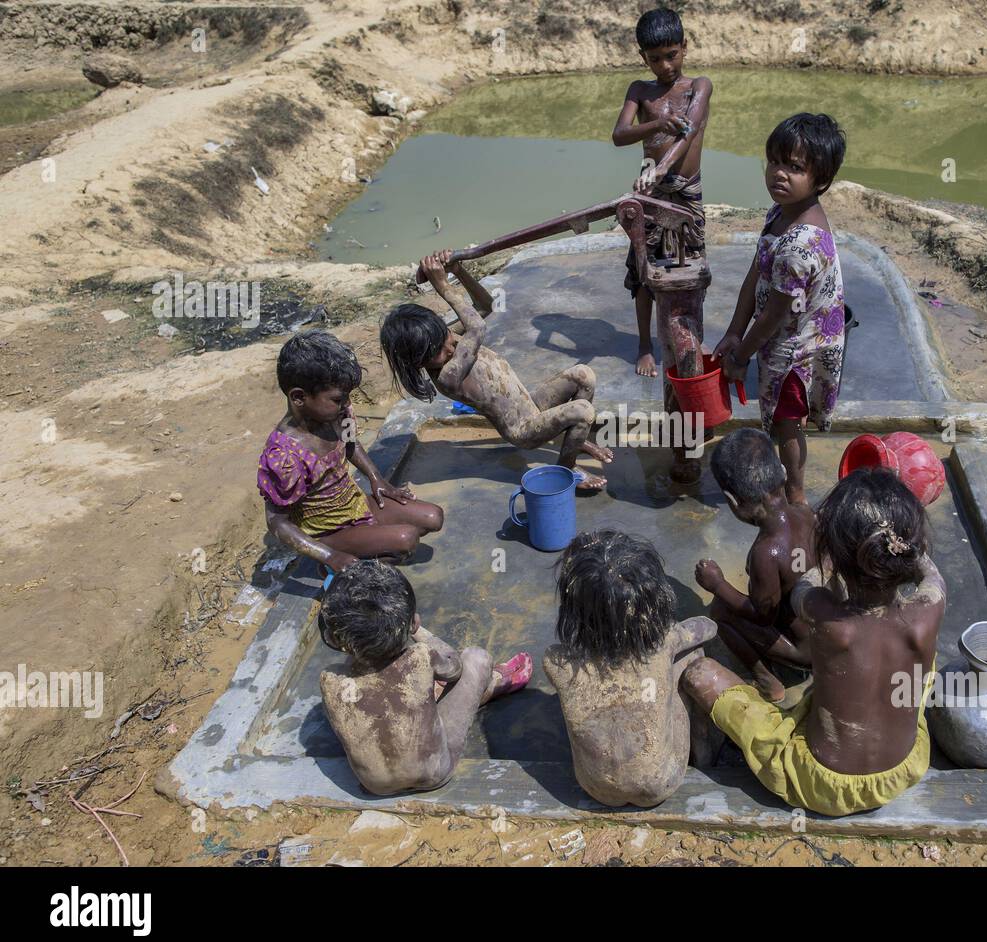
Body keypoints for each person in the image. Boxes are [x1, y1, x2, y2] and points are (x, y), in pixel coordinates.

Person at [681, 468, 946, 817]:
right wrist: (906, 549)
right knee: (924, 664)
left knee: (701, 673)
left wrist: (825, 558)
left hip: (820, 782)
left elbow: (802, 589)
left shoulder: (828, 620)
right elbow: (932, 575)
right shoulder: (929, 611)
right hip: (903, 769)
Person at [384, 252, 614, 491]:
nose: (450, 346)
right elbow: (477, 326)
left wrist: (458, 271)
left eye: (446, 335)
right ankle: (567, 469)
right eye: (438, 351)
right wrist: (442, 284)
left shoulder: (449, 342)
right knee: (582, 411)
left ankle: (575, 440)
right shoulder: (448, 376)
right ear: (419, 362)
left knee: (583, 374)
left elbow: (486, 307)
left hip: (532, 406)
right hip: (524, 430)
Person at [713, 113, 848, 507]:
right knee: (784, 416)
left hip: (799, 349)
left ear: (821, 180)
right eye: (774, 161)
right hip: (785, 336)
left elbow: (773, 315)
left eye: (795, 167)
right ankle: (792, 484)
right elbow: (755, 273)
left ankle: (796, 493)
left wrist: (740, 355)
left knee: (788, 423)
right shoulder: (779, 215)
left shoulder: (799, 246)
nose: (779, 174)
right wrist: (734, 331)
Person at [318, 560, 531, 796]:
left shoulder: (330, 682)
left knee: (373, 701)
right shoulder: (420, 657)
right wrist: (418, 631)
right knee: (476, 659)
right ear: (414, 621)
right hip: (435, 773)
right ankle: (489, 686)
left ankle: (441, 697)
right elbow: (455, 668)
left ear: (333, 639)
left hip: (375, 787)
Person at [543, 530, 718, 807]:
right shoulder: (664, 641)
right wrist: (672, 630)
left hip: (595, 787)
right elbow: (709, 627)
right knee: (692, 653)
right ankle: (704, 753)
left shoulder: (556, 661)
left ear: (574, 611)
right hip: (660, 784)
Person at [258, 330, 444, 573]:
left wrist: (377, 479)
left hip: (355, 505)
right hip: (327, 532)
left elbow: (350, 444)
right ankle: (339, 565)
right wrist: (329, 555)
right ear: (299, 397)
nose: (346, 404)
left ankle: (363, 550)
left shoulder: (337, 414)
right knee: (406, 540)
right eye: (337, 399)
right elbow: (277, 523)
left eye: (347, 397)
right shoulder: (284, 456)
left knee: (433, 517)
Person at [612, 7, 712, 378]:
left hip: (684, 188)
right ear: (643, 58)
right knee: (644, 267)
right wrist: (657, 123)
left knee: (692, 263)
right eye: (655, 59)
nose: (665, 66)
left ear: (685, 47)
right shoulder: (639, 90)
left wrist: (660, 170)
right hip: (648, 187)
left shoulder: (699, 86)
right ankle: (644, 344)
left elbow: (689, 133)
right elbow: (620, 135)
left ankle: (690, 336)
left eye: (671, 55)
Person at [694, 428, 815, 703]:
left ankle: (766, 678)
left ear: (734, 501)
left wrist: (718, 585)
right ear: (782, 473)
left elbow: (763, 616)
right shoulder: (807, 514)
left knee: (721, 610)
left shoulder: (766, 553)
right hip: (827, 637)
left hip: (804, 652)